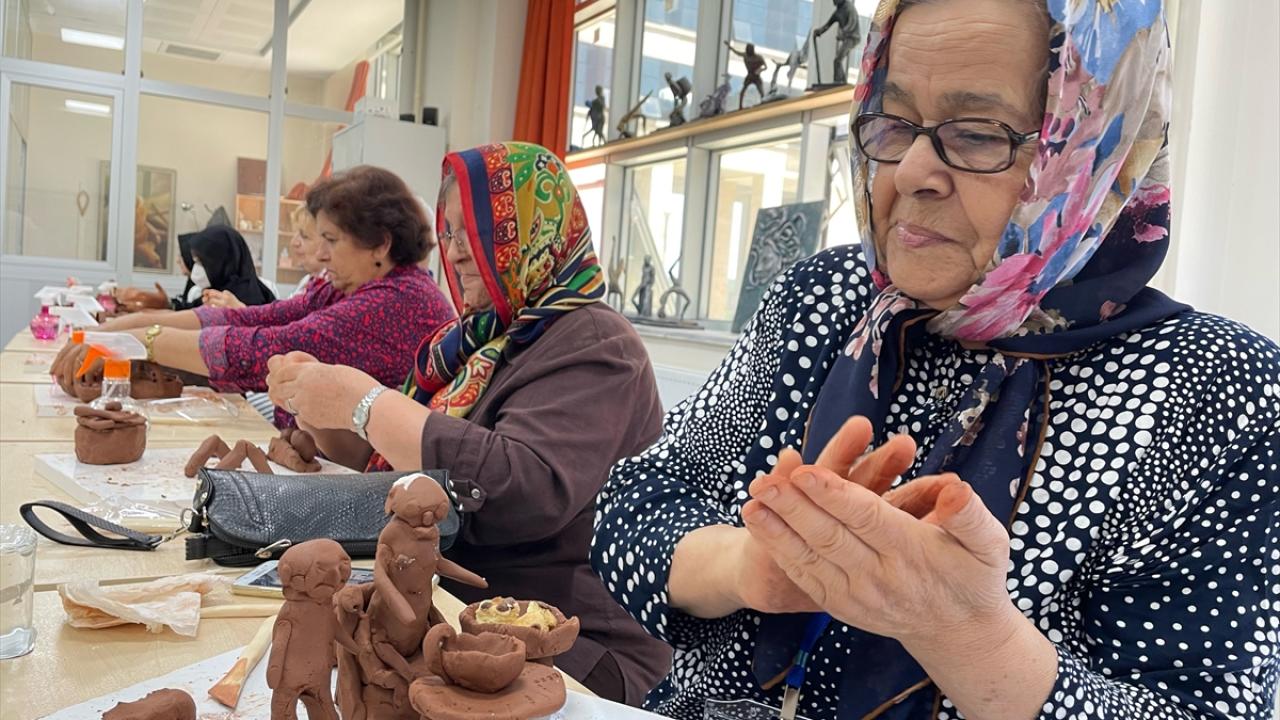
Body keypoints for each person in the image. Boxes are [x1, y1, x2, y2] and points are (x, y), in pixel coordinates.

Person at [592, 1, 1280, 719]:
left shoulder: (1220, 392)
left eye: (978, 134)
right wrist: (748, 567)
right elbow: (631, 506)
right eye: (893, 123)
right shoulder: (822, 302)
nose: (913, 170)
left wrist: (965, 633)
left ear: (1095, 145)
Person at [263, 142, 673, 705]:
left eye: (475, 234)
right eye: (449, 234)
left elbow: (520, 490)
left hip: (564, 645)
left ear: (532, 233)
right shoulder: (477, 340)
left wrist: (365, 404)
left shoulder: (596, 341)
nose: (454, 253)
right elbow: (410, 472)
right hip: (461, 616)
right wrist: (325, 413)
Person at [87, 165, 455, 429]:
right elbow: (254, 318)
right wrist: (130, 326)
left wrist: (140, 340)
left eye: (331, 240)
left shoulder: (396, 300)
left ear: (380, 243)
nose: (321, 255)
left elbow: (267, 346)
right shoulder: (350, 285)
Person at [115, 226, 274, 312]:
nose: (195, 268)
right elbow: (193, 310)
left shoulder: (240, 297)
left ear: (219, 262)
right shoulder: (220, 288)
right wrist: (167, 305)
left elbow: (195, 320)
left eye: (201, 262)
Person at [205, 205, 327, 309]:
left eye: (305, 236)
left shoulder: (329, 292)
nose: (294, 243)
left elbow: (287, 331)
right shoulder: (308, 281)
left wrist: (239, 310)